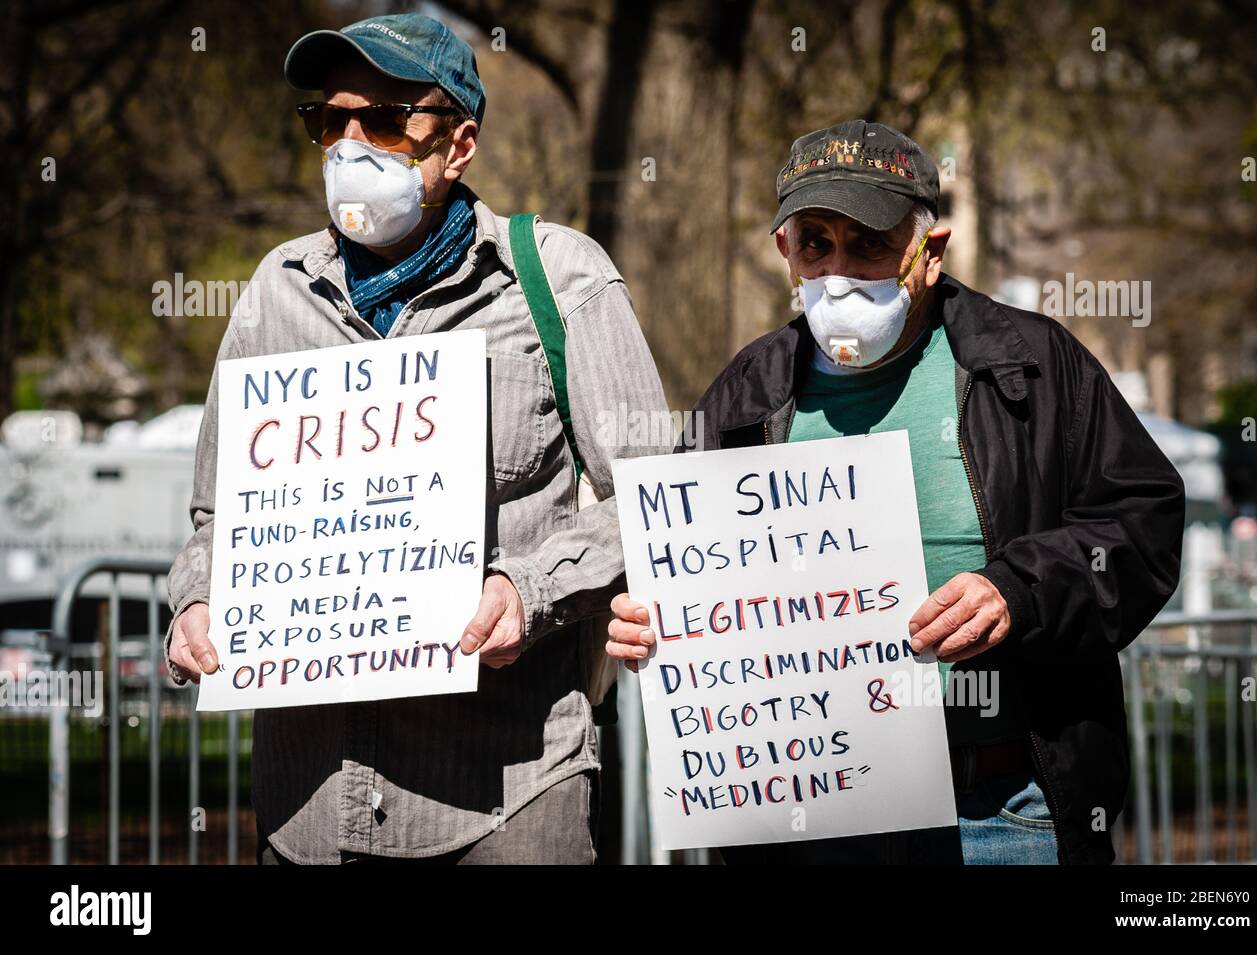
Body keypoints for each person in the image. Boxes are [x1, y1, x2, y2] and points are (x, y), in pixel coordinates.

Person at [605, 120, 1185, 864]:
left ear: (929, 253)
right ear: (786, 253)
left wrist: (1021, 591)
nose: (838, 271)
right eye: (815, 242)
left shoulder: (1032, 366)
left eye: (869, 243)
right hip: (798, 818)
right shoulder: (746, 390)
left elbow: (1142, 521)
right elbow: (685, 572)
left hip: (997, 812)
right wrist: (649, 620)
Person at [164, 13, 671, 864]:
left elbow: (654, 498)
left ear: (459, 143)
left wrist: (531, 588)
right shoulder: (274, 291)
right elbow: (218, 516)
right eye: (332, 120)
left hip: (506, 800)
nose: (350, 145)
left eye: (389, 119)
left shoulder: (558, 277)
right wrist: (195, 600)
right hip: (309, 806)